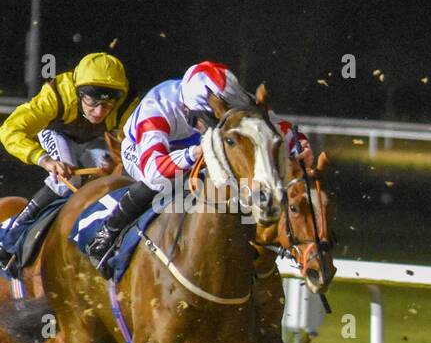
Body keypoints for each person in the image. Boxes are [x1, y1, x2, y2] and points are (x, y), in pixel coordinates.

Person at [86, 61, 312, 275]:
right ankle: (108, 233)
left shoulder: (235, 100)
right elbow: (154, 172)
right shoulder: (157, 110)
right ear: (190, 108)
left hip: (199, 145)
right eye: (209, 117)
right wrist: (194, 153)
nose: (214, 120)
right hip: (143, 151)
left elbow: (274, 127)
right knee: (166, 183)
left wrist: (301, 145)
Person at [0, 52, 139, 254]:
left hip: (94, 141)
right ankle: (13, 233)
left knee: (116, 181)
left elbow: (134, 143)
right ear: (79, 93)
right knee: (67, 181)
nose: (99, 112)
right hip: (57, 133)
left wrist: (120, 162)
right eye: (92, 102)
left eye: (107, 104)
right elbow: (9, 130)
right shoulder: (56, 94)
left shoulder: (127, 103)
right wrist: (45, 160)